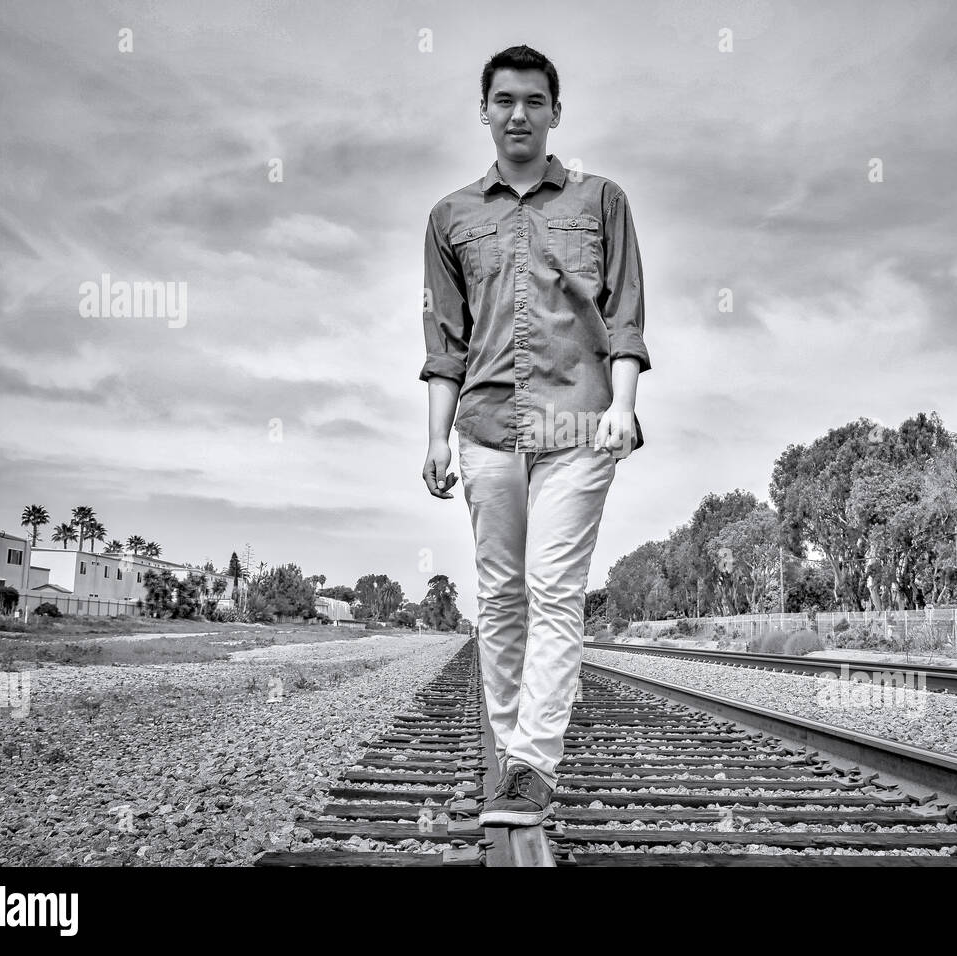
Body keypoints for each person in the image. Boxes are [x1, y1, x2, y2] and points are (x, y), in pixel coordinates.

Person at [419, 44, 651, 826]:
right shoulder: (450, 216)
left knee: (554, 590)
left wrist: (622, 405)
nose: (519, 113)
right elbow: (444, 342)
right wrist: (436, 438)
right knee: (500, 597)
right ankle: (512, 742)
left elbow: (624, 316)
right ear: (484, 111)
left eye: (534, 100)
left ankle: (531, 765)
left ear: (557, 111)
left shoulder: (600, 200)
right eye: (504, 100)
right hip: (485, 425)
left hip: (580, 419)